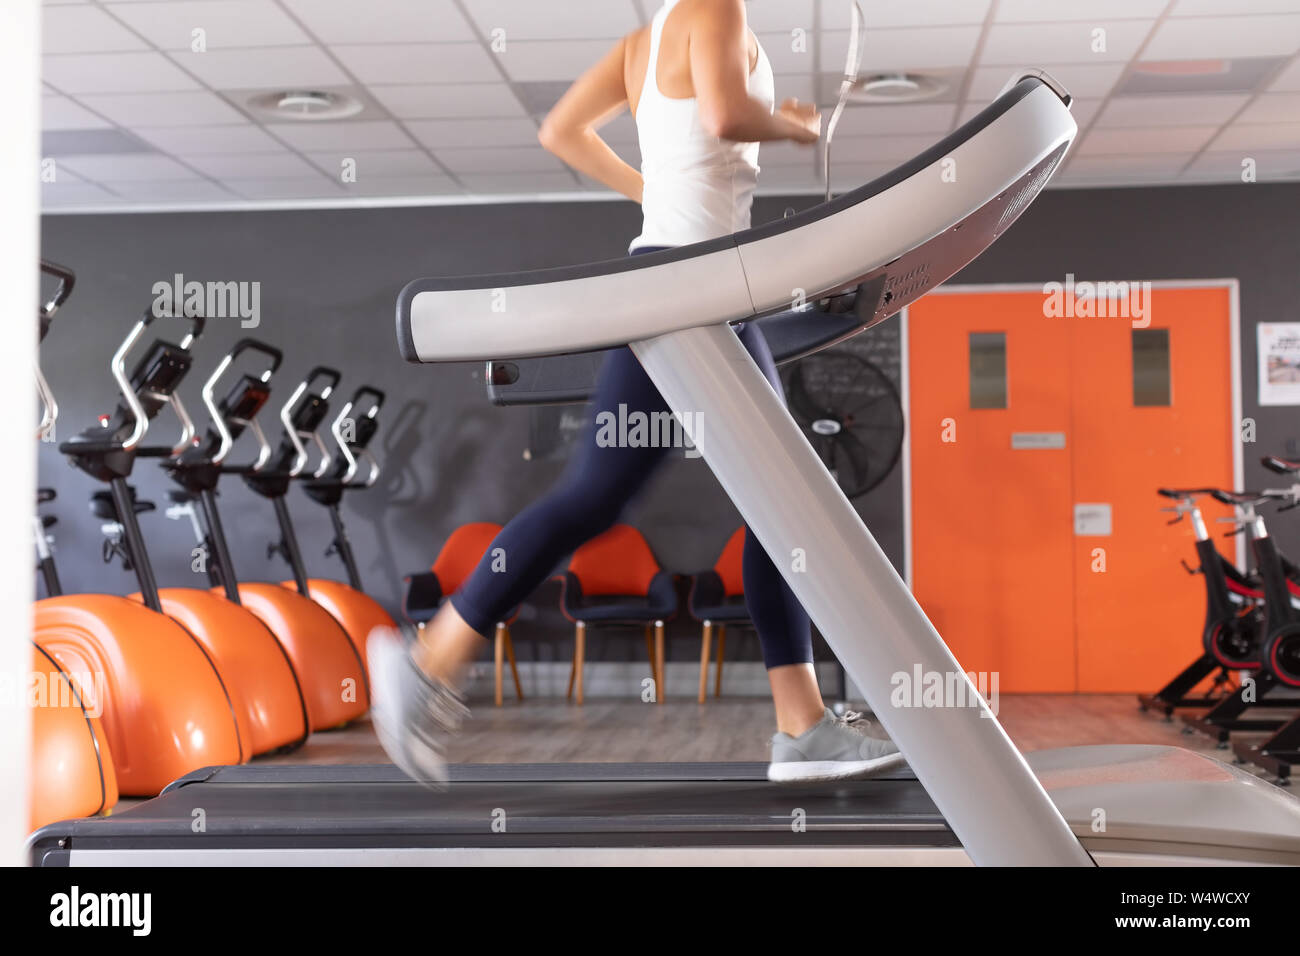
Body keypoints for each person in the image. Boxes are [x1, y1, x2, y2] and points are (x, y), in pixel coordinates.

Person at [370, 0, 902, 784]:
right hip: (691, 290)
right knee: (760, 501)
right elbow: (724, 116)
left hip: (685, 282)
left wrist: (653, 191)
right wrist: (794, 127)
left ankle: (800, 725)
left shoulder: (641, 42)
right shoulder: (716, 8)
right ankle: (800, 728)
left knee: (648, 501)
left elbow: (561, 132)